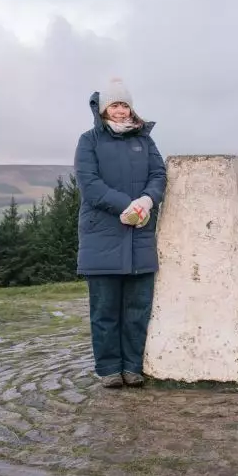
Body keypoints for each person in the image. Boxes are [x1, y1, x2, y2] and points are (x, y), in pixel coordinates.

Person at [74, 78, 167, 388]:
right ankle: (109, 369)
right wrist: (124, 206)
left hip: (139, 235)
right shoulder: (89, 141)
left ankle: (132, 367)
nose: (120, 110)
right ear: (103, 110)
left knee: (137, 310)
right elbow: (89, 184)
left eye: (124, 104)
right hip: (102, 236)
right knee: (105, 310)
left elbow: (158, 174)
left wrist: (145, 201)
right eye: (114, 105)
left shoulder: (146, 141)